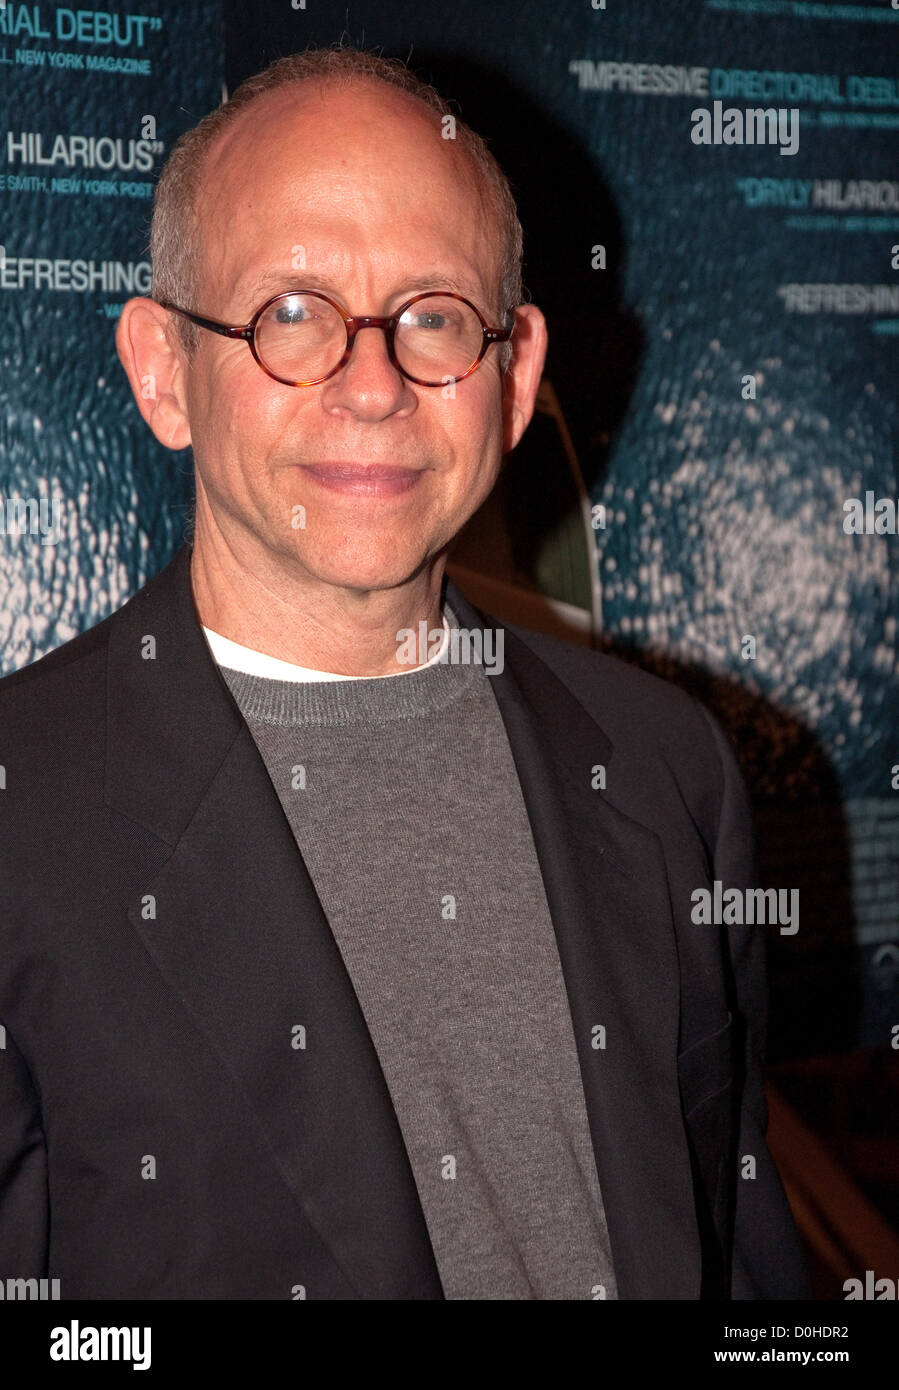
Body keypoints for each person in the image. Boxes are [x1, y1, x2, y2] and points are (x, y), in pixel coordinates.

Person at [0, 47, 808, 1300]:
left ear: (515, 372)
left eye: (432, 314)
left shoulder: (663, 768)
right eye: (291, 315)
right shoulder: (23, 811)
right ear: (164, 372)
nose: (372, 386)